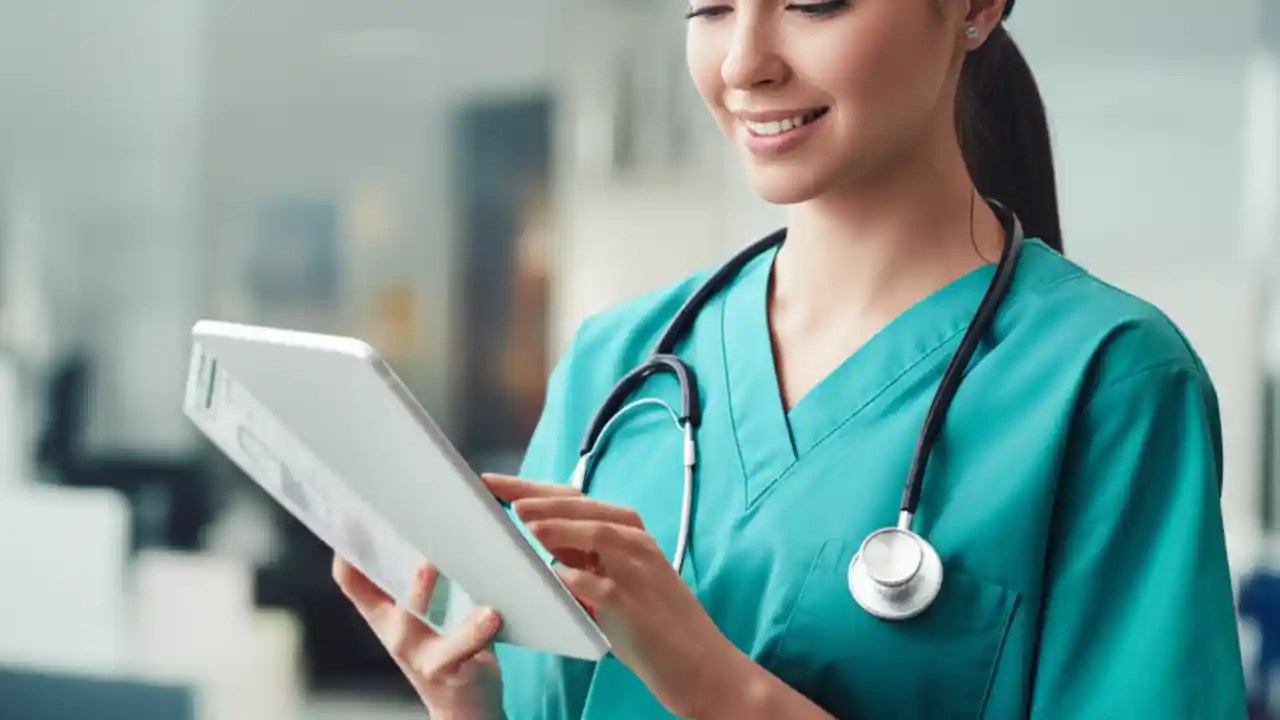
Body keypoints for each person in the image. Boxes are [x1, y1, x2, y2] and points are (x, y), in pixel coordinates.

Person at [332, 0, 1249, 717]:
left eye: (814, 5)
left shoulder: (1108, 384)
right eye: (709, 10)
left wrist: (717, 687)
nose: (744, 64)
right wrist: (465, 703)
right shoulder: (617, 362)